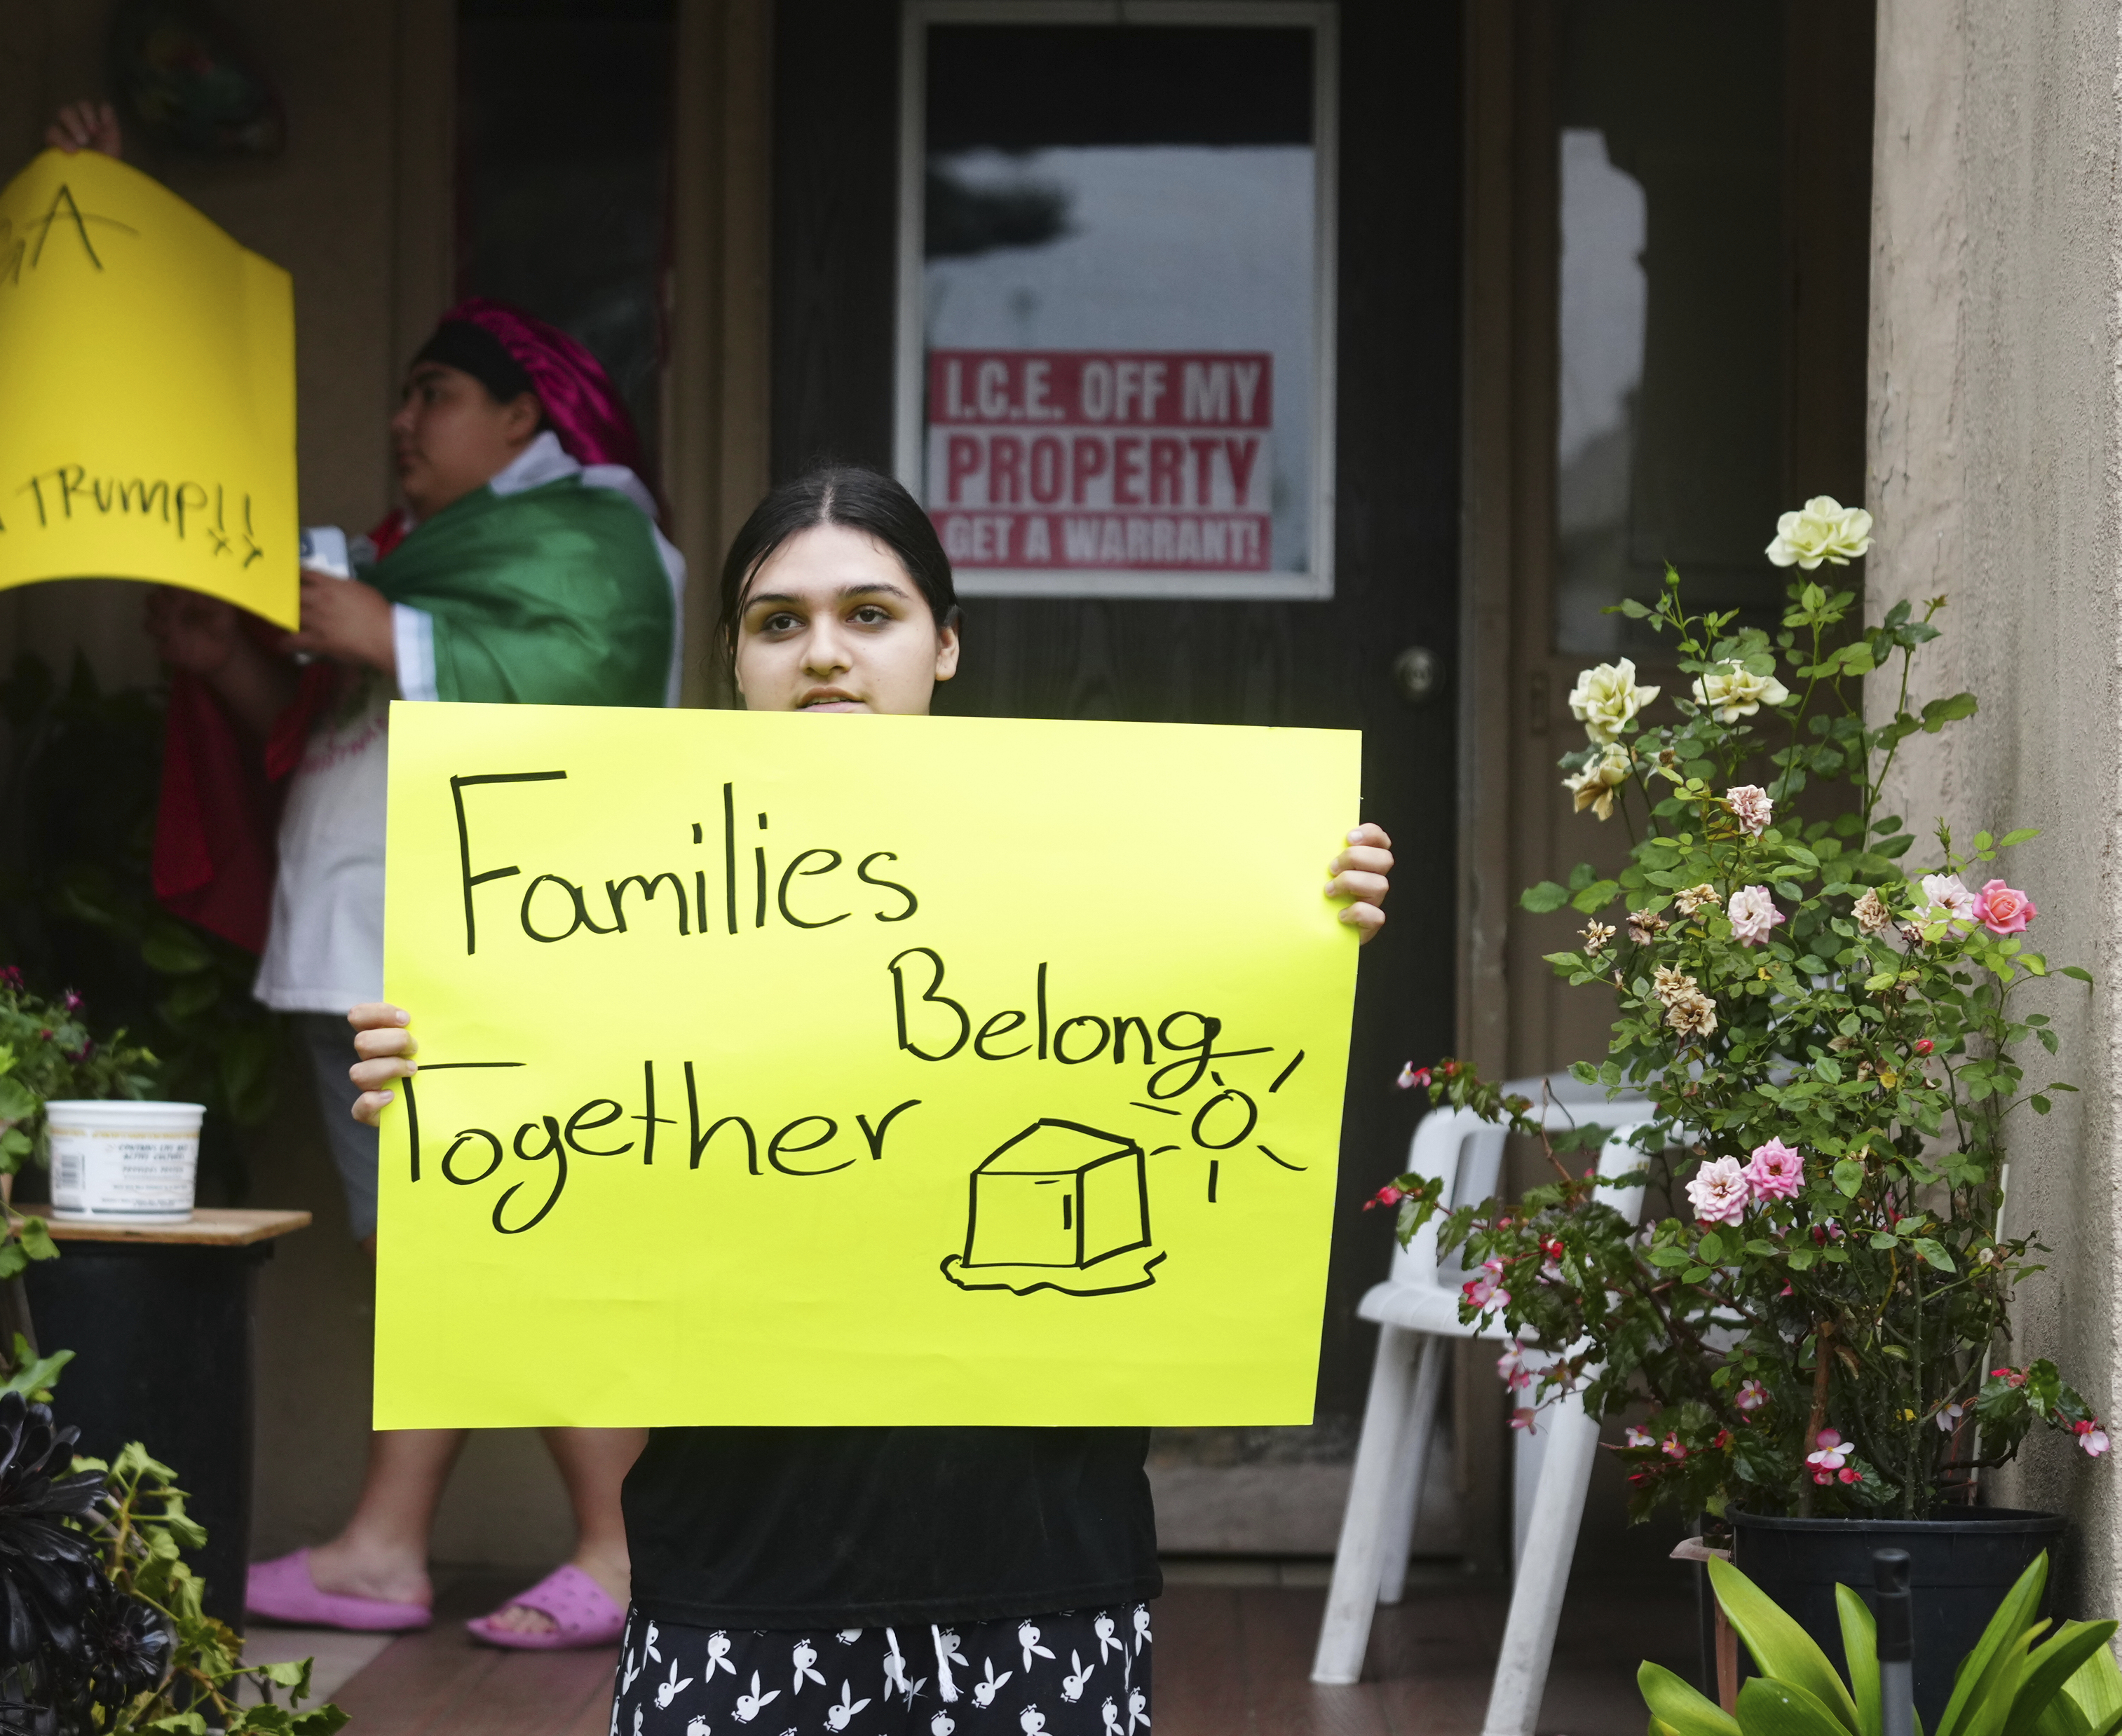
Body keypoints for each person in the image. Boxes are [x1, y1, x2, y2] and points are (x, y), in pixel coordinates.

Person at [336, 466, 1396, 1730]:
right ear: (732, 660)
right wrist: (443, 1083)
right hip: (738, 1572)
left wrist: (1302, 910)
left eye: (870, 615)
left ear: (945, 645)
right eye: (779, 621)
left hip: (1038, 1573)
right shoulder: (612, 905)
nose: (824, 653)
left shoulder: (1112, 877)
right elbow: (565, 1196)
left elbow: (1209, 1061)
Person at [142, 291, 682, 1648]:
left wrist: (382, 628)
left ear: (524, 415)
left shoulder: (599, 540)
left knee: (503, 1240)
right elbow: (347, 737)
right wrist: (233, 666)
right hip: (357, 944)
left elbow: (595, 683)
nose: (400, 419)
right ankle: (383, 1548)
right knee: (434, 1256)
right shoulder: (419, 557)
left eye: (432, 391)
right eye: (402, 393)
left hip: (481, 953)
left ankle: (628, 1549)